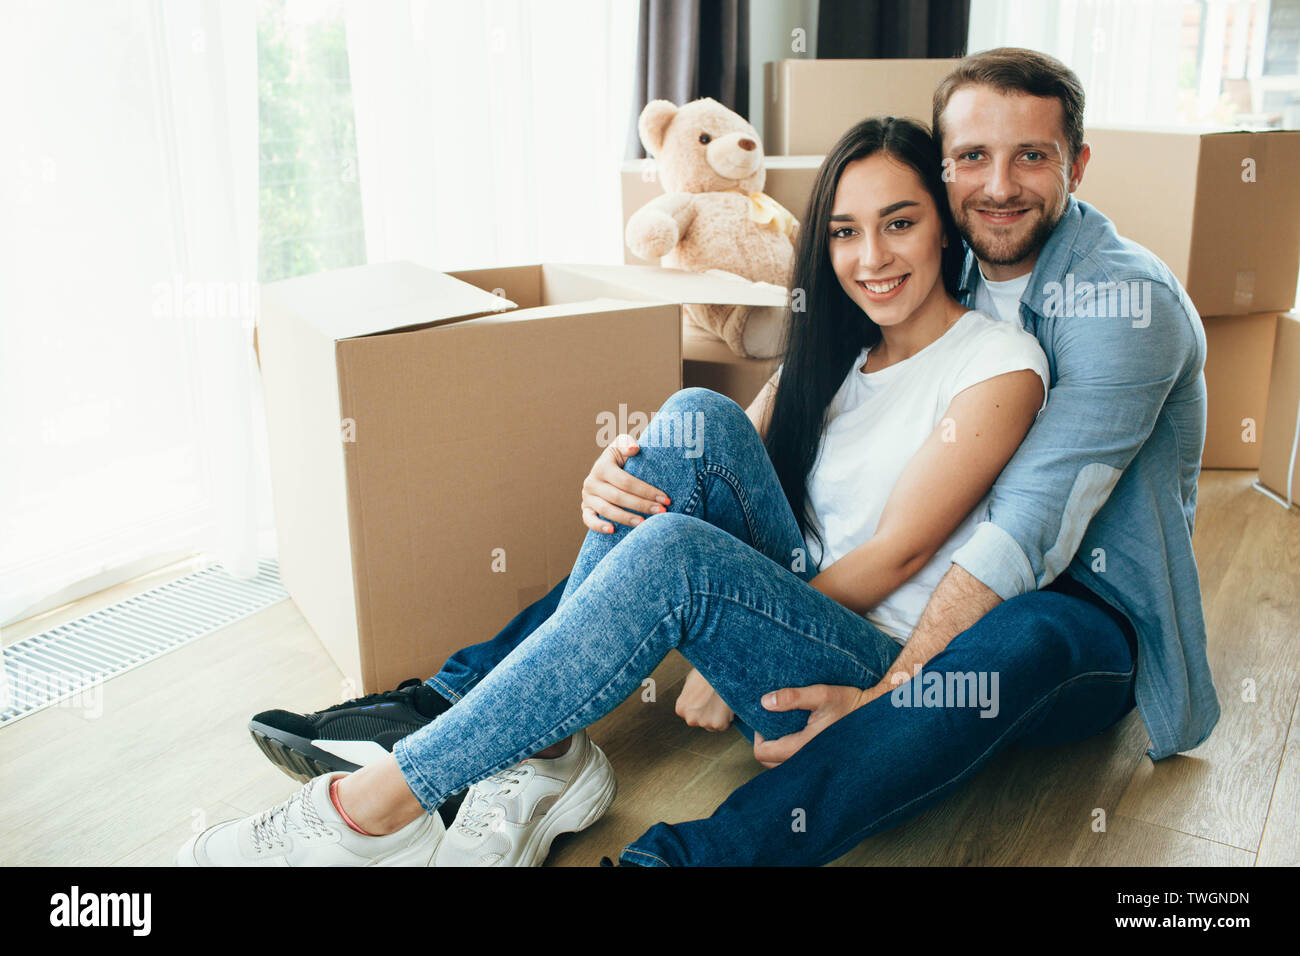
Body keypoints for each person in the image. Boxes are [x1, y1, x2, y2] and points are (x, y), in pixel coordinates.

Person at [199, 46, 1219, 867]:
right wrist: (616, 471)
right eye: (852, 231)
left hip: (1003, 621)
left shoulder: (1052, 338)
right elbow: (728, 443)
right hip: (810, 588)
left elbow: (999, 534)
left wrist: (760, 620)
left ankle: (373, 806)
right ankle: (523, 734)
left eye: (1029, 157)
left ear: (1075, 164)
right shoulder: (861, 328)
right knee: (689, 417)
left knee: (683, 558)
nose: (877, 253)